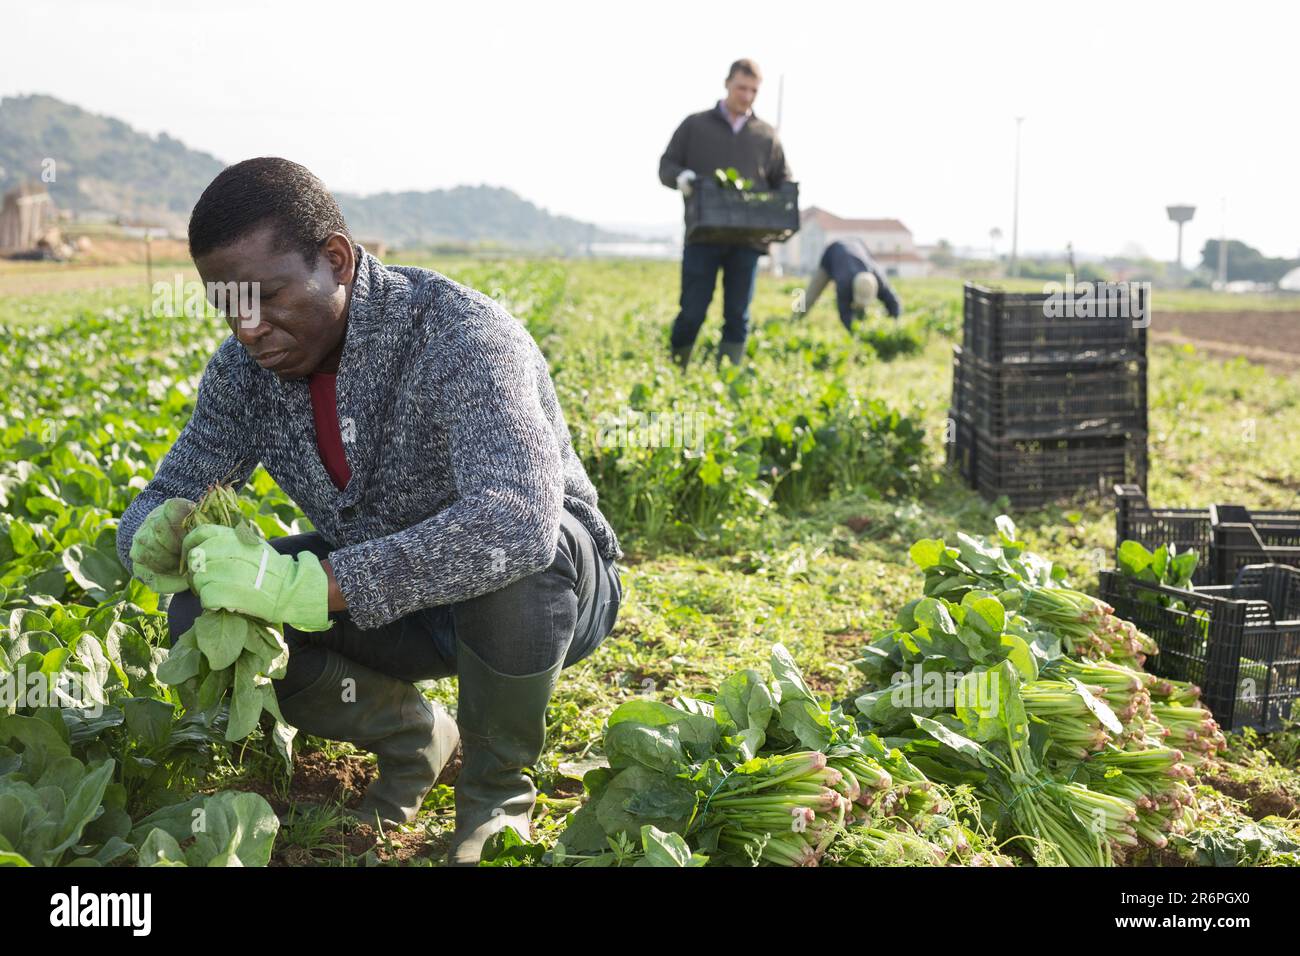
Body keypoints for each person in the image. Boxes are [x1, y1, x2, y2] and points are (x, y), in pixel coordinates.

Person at [116, 157, 624, 867]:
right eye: (228, 308)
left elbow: (517, 521)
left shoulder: (462, 336)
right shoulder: (243, 375)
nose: (248, 330)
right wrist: (151, 535)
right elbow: (163, 492)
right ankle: (413, 736)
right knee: (198, 611)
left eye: (266, 298)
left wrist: (311, 586)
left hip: (549, 599)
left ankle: (496, 797)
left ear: (336, 260)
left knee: (516, 564)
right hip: (402, 608)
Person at [659, 57, 793, 369]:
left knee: (738, 314)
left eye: (753, 91)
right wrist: (682, 179)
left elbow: (782, 180)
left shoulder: (766, 136)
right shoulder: (695, 125)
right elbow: (666, 166)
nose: (746, 96)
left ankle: (727, 379)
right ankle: (676, 370)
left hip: (747, 240)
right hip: (702, 234)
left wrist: (782, 199)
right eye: (741, 88)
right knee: (692, 309)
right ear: (727, 84)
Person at [795, 237, 902, 331]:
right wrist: (853, 331)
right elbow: (844, 312)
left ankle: (861, 320)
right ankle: (794, 320)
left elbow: (893, 302)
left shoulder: (878, 279)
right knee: (810, 295)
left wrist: (894, 323)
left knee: (860, 307)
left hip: (856, 245)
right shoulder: (844, 284)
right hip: (831, 255)